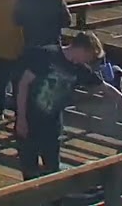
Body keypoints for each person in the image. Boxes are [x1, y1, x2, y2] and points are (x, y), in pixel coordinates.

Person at [15, 31, 106, 180]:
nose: (88, 61)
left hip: (52, 126)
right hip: (30, 121)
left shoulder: (79, 69)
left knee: (52, 171)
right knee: (29, 172)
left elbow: (104, 88)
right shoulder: (47, 54)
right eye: (88, 57)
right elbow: (24, 85)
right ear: (82, 49)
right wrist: (21, 119)